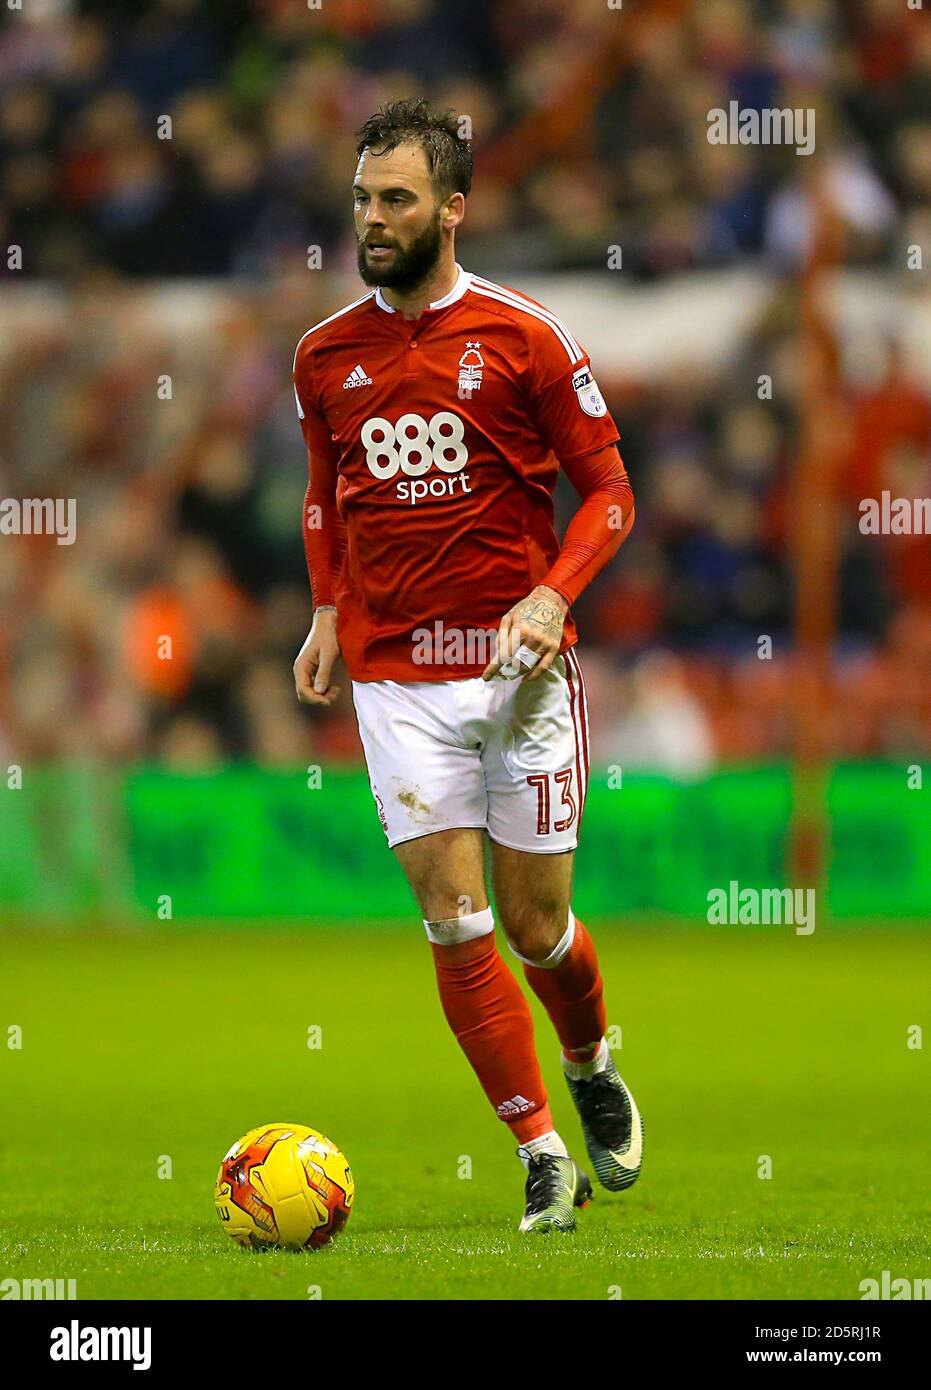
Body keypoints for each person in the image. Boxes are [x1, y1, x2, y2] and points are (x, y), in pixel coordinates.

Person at [292, 98, 641, 1232]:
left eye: (395, 199)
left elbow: (612, 496)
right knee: (453, 917)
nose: (373, 218)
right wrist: (322, 612)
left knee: (538, 926)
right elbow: (322, 496)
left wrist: (552, 592)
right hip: (396, 676)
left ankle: (587, 1061)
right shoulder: (323, 354)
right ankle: (539, 1148)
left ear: (453, 206)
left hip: (518, 674)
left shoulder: (525, 334)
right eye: (360, 199)